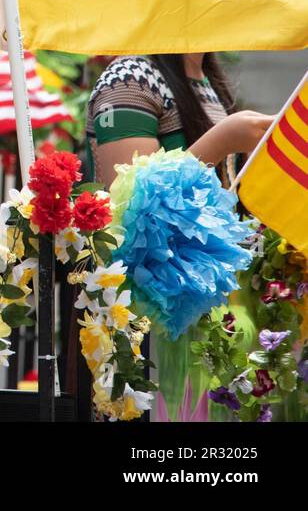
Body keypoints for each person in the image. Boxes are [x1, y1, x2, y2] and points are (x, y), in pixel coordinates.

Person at [87, 54, 273, 421]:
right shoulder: (130, 78)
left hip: (213, 310)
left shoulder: (203, 76)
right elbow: (128, 207)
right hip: (157, 315)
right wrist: (223, 140)